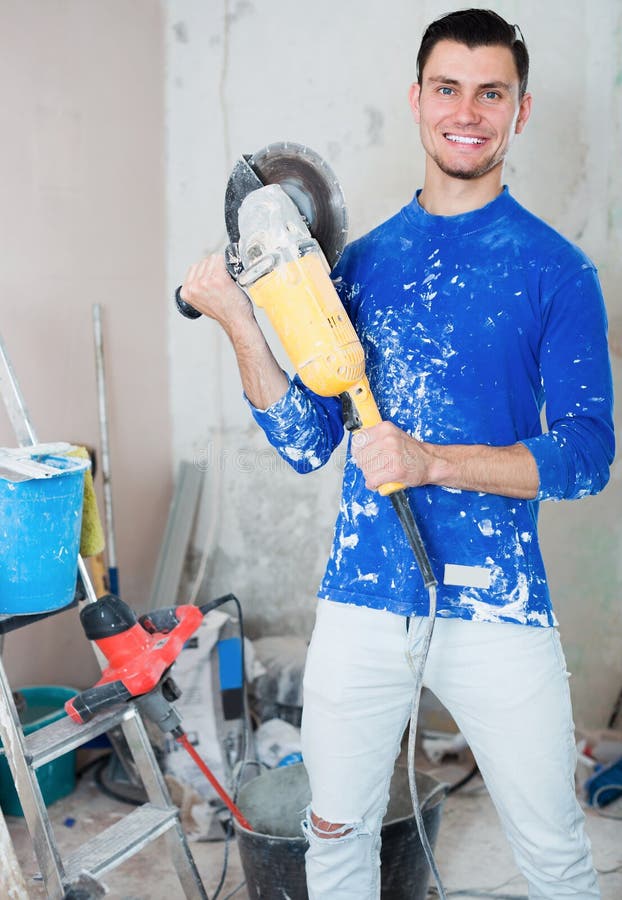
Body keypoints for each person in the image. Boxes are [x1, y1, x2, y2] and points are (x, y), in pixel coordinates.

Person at [180, 9, 615, 899]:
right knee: (333, 839)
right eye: (448, 88)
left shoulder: (556, 271)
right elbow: (307, 441)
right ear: (417, 100)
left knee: (556, 857)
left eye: (491, 93)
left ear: (520, 110)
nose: (468, 110)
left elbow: (587, 453)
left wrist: (433, 461)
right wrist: (235, 318)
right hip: (363, 599)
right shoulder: (362, 265)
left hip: (499, 604)